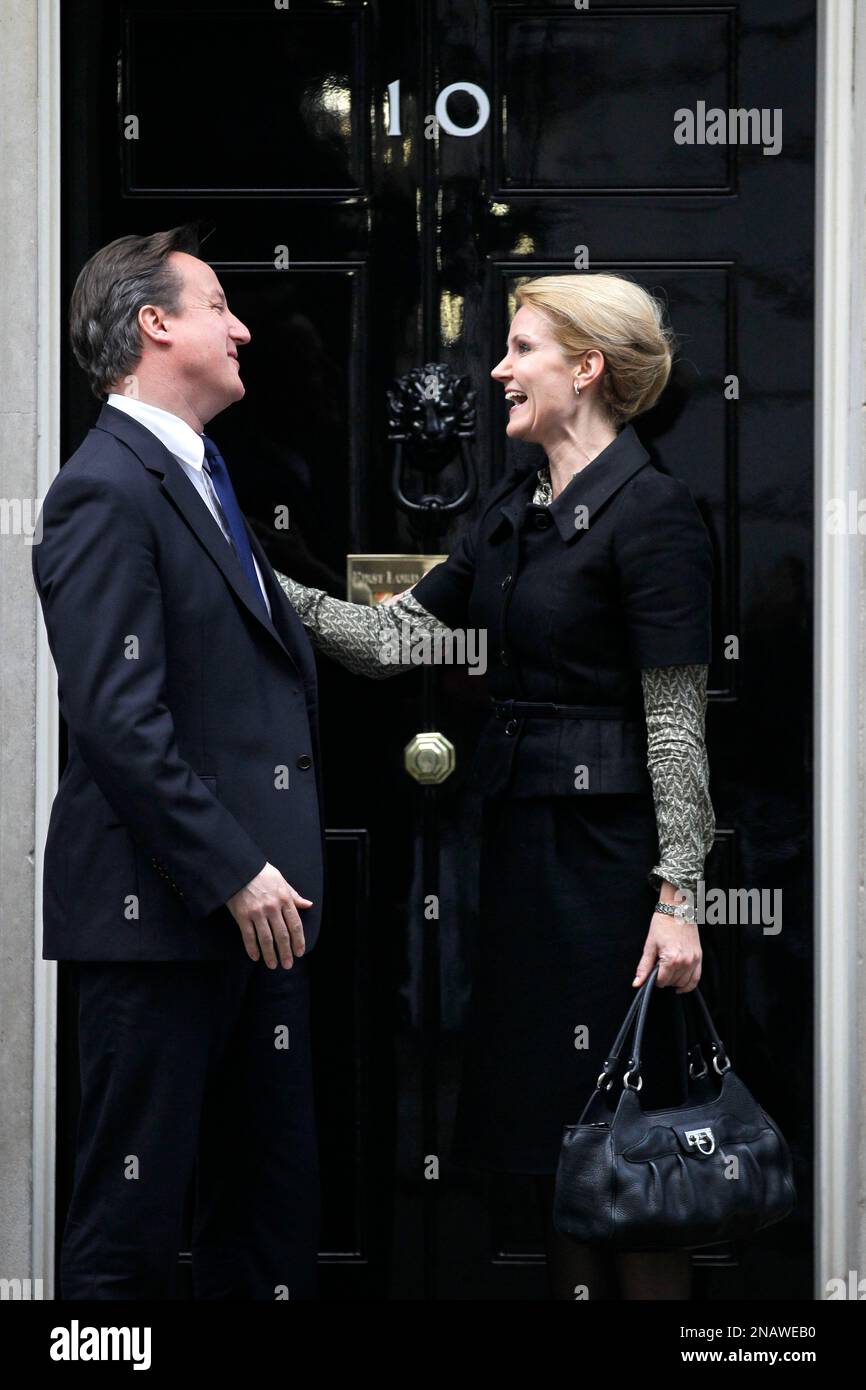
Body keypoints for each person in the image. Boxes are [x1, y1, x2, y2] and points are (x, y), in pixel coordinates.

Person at [274, 273, 715, 1300]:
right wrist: (253, 578)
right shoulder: (509, 511)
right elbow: (389, 642)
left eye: (520, 350)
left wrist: (678, 896)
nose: (499, 370)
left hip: (613, 875)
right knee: (553, 1149)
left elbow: (674, 722)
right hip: (522, 857)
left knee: (633, 1153)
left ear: (586, 369)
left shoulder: (652, 516)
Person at [33, 225, 324, 1299]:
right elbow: (117, 718)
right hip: (160, 923)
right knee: (129, 1230)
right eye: (217, 307)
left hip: (258, 927)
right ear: (155, 324)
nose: (242, 325)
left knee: (263, 1217)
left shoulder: (203, 477)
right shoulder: (104, 489)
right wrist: (232, 871)